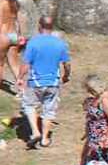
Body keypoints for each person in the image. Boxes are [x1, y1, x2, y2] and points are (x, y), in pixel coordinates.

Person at [20, 14, 72, 151]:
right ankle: (44, 139)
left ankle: (35, 132)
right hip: (53, 82)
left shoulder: (33, 43)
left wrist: (20, 77)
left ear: (39, 26)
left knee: (29, 105)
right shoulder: (60, 43)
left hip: (35, 82)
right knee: (49, 109)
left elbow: (26, 64)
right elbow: (66, 64)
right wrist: (66, 76)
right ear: (52, 27)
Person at [80, 74, 108, 165]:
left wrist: (107, 138)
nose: (88, 91)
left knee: (104, 164)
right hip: (95, 137)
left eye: (89, 89)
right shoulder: (98, 97)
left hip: (103, 138)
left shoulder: (105, 99)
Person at [0, 0, 24, 94]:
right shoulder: (14, 3)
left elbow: (0, 22)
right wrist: (20, 35)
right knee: (14, 64)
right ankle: (22, 90)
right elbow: (18, 20)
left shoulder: (1, 4)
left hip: (4, 35)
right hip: (14, 35)